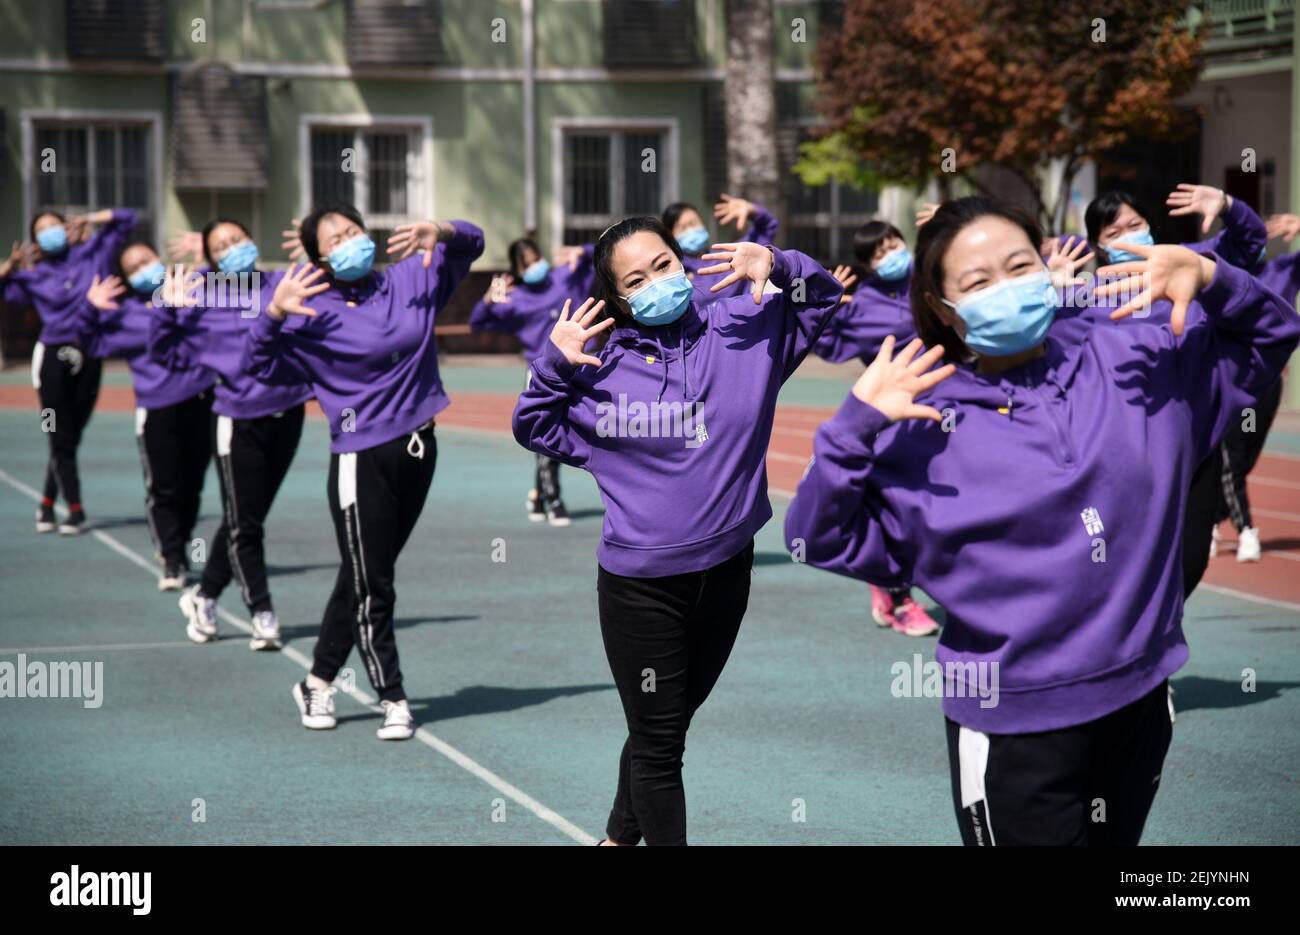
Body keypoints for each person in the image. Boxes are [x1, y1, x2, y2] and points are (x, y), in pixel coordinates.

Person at [784, 196, 1299, 845]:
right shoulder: (920, 426)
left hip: (1141, 707)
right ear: (942, 307)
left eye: (1019, 264)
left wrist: (1215, 278)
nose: (1005, 288)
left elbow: (1271, 335)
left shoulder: (1135, 353)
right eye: (977, 281)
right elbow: (812, 536)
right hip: (1015, 734)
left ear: (1050, 264)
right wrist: (850, 431)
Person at [512, 215, 843, 845]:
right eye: (636, 279)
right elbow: (533, 425)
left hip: (727, 571)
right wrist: (554, 364)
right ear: (614, 299)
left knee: (660, 729)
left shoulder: (746, 324)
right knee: (662, 748)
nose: (657, 282)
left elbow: (823, 297)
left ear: (683, 262)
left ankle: (615, 838)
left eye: (663, 264)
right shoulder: (598, 366)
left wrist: (778, 260)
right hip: (640, 589)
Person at [242, 203, 484, 741]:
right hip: (360, 457)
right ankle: (392, 695)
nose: (349, 240)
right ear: (316, 256)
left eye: (352, 229)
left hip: (421, 447)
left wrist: (440, 229)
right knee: (374, 582)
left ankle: (317, 680)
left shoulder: (410, 276)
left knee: (363, 575)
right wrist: (273, 314)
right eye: (334, 238)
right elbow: (253, 365)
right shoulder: (307, 305)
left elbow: (474, 243)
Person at [1085, 183, 1269, 596]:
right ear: (1097, 245)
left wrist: (1228, 205)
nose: (1128, 235)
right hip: (1122, 458)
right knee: (1113, 563)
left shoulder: (1187, 264)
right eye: (1114, 233)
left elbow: (1252, 241)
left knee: (1188, 563)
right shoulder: (1086, 299)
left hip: (1195, 451)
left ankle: (1147, 640)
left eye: (1135, 224)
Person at [149, 218, 313, 649]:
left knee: (247, 518)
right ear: (209, 257)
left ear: (253, 240)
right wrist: (165, 309)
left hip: (289, 413)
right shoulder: (199, 292)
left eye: (238, 239)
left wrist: (317, 251)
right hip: (237, 420)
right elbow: (163, 352)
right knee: (246, 525)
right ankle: (263, 612)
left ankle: (202, 596)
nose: (232, 249)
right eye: (220, 247)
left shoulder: (280, 281)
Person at [79, 245, 217, 590]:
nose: (144, 268)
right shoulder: (123, 313)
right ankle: (172, 559)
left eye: (147, 260)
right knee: (164, 486)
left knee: (193, 482)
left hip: (203, 400)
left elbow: (244, 288)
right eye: (134, 267)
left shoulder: (190, 287)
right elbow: (90, 344)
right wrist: (88, 309)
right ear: (125, 278)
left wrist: (210, 253)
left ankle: (182, 542)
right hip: (158, 408)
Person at [1, 208, 138, 534]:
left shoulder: (93, 254)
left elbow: (127, 219)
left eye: (55, 226)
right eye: (42, 230)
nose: (50, 232)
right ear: (36, 241)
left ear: (66, 228)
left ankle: (47, 503)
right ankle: (75, 509)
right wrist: (8, 267)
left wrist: (91, 218)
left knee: (72, 433)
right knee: (56, 430)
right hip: (50, 357)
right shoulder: (32, 274)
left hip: (89, 352)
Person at [468, 236, 596, 526]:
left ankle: (538, 495)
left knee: (587, 431)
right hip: (544, 373)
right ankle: (554, 499)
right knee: (547, 435)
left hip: (582, 368)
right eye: (526, 263)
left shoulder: (565, 276)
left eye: (536, 257)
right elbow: (478, 322)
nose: (534, 265)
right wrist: (490, 297)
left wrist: (581, 249)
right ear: (517, 269)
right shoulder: (515, 300)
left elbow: (600, 255)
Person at [662, 193, 778, 298]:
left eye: (694, 223)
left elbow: (768, 227)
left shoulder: (729, 255)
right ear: (670, 237)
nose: (691, 231)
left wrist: (752, 210)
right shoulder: (674, 275)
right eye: (683, 228)